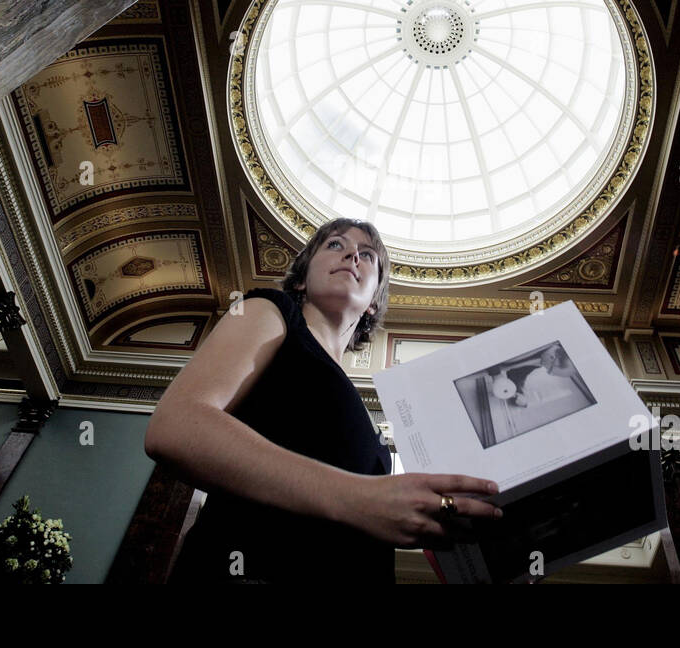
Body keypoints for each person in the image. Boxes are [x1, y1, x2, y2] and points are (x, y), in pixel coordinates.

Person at [144, 216, 502, 583]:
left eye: (367, 255)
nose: (353, 255)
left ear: (373, 303)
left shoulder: (363, 417)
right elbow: (174, 427)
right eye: (335, 245)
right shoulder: (272, 310)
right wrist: (360, 498)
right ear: (301, 279)